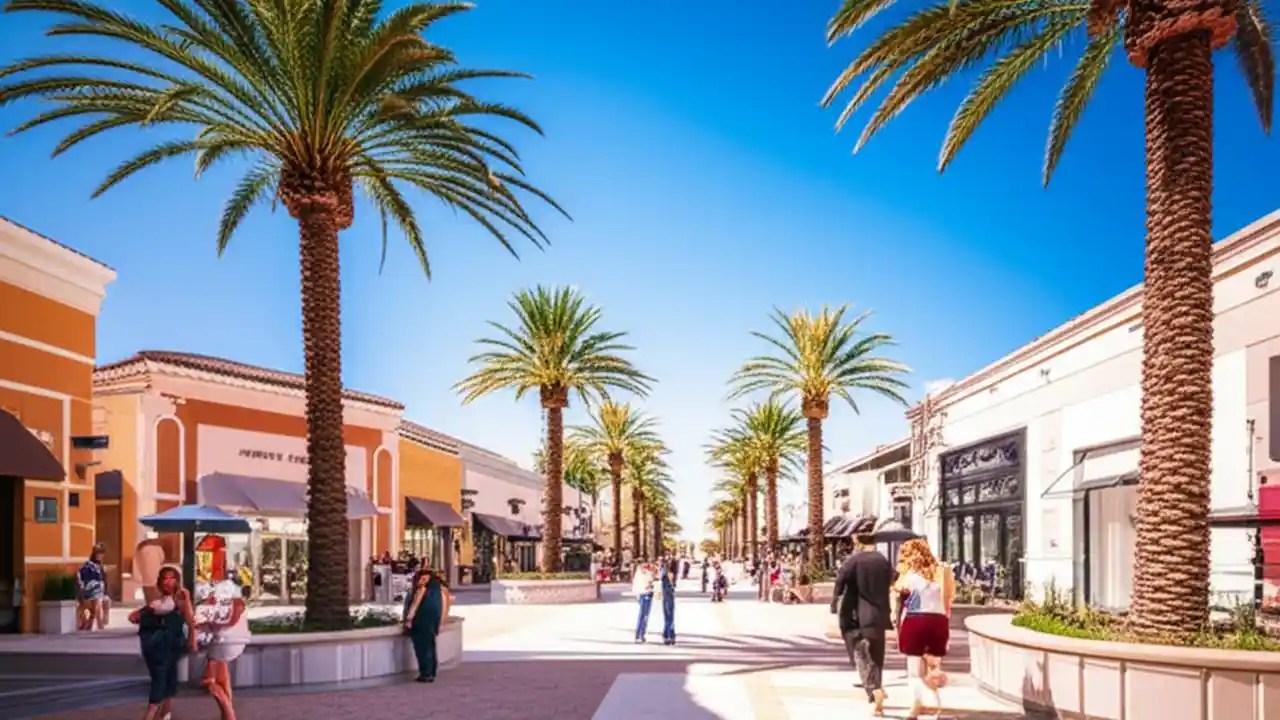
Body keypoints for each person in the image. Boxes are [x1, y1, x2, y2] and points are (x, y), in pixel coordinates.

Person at [831, 523, 896, 717]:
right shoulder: (882, 560)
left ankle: (873, 689)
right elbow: (894, 580)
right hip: (879, 616)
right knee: (877, 655)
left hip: (857, 616)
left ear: (857, 540)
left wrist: (835, 604)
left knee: (860, 653)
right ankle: (877, 690)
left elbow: (839, 583)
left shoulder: (853, 561)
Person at [892, 538, 956, 719]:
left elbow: (899, 595)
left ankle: (916, 704)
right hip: (938, 621)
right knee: (934, 666)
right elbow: (950, 598)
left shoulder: (908, 575)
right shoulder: (943, 572)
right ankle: (935, 704)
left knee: (914, 669)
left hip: (915, 620)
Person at [129, 567, 197, 720]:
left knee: (162, 677)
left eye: (171, 578)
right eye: (164, 578)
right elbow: (135, 616)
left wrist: (193, 639)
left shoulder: (180, 598)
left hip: (170, 644)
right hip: (155, 647)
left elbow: (189, 618)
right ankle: (165, 714)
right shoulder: (157, 600)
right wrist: (143, 614)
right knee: (165, 677)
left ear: (177, 581)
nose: (167, 582)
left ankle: (150, 714)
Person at [195, 578, 250, 720]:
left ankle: (229, 714)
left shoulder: (234, 602)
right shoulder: (218, 602)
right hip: (224, 642)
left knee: (210, 681)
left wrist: (208, 623)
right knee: (222, 680)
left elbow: (229, 620)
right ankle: (226, 715)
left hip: (225, 642)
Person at [403, 568, 452, 683]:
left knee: (423, 649)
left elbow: (415, 605)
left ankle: (426, 673)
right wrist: (441, 622)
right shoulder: (441, 590)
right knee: (430, 647)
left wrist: (409, 620)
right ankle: (431, 671)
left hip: (421, 622)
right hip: (433, 622)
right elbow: (445, 606)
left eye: (423, 578)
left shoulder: (422, 589)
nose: (421, 580)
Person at [77, 542, 108, 631]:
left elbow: (104, 580)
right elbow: (81, 576)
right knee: (96, 606)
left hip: (98, 591)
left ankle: (100, 625)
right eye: (98, 554)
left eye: (102, 554)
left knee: (100, 604)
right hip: (89, 590)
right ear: (94, 554)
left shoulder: (100, 566)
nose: (100, 556)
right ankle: (98, 626)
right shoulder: (88, 565)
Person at [631, 559, 656, 643]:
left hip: (645, 594)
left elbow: (650, 582)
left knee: (644, 615)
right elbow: (647, 584)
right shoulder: (643, 573)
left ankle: (640, 634)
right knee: (643, 615)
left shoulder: (643, 572)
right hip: (644, 594)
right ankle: (639, 635)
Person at [660, 560, 677, 645]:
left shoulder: (668, 579)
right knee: (668, 617)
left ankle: (669, 635)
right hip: (667, 598)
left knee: (670, 617)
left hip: (669, 598)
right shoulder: (665, 579)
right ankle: (668, 635)